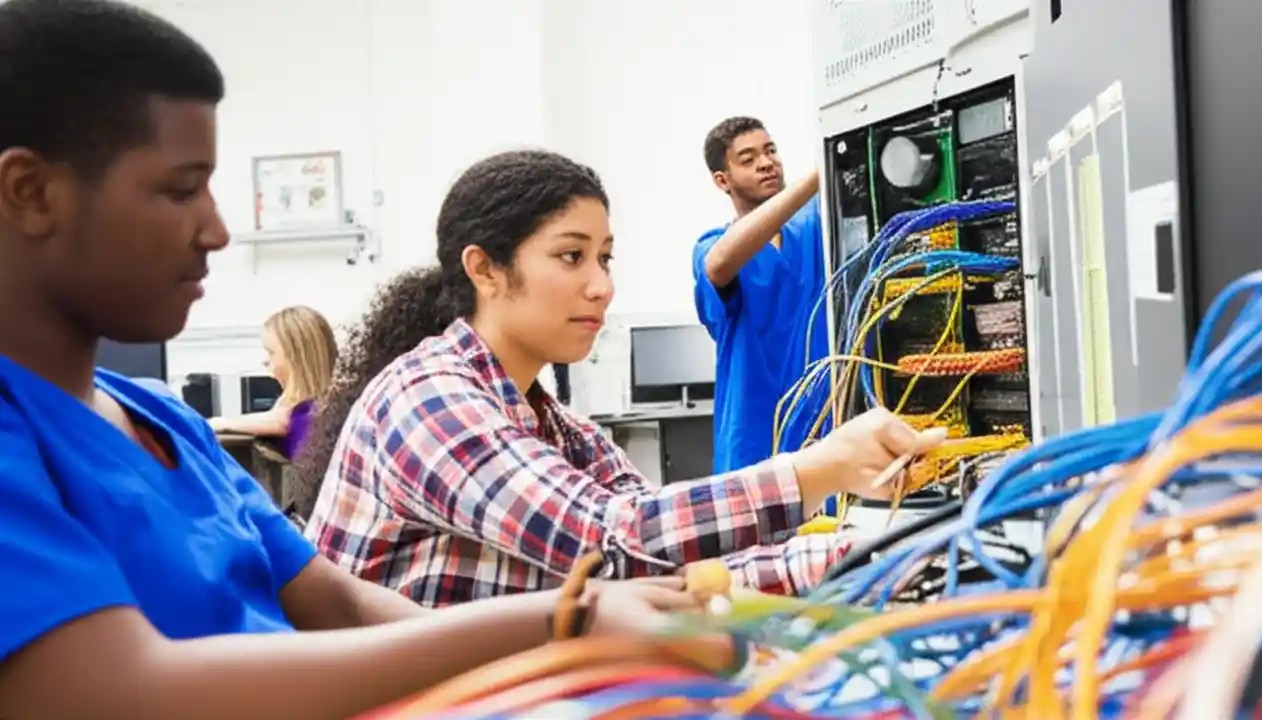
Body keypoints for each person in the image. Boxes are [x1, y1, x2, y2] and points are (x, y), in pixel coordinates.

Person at [0, 2, 696, 718]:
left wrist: (548, 664)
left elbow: (340, 603)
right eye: (180, 190)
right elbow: (122, 688)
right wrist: (560, 624)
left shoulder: (166, 421)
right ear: (30, 192)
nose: (216, 229)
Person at [301, 150, 943, 608]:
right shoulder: (427, 400)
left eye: (604, 258)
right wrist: (817, 471)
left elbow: (677, 566)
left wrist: (892, 558)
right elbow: (611, 541)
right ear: (485, 269)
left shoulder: (562, 432)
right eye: (571, 256)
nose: (602, 286)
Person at [693, 116, 829, 474]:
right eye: (748, 159)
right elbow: (719, 264)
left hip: (825, 429)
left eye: (771, 151)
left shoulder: (815, 227)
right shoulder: (713, 247)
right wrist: (819, 174)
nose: (767, 163)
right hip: (755, 440)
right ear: (722, 180)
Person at [209, 305, 337, 459]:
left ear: (296, 359)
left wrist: (221, 424)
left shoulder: (303, 417)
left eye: (271, 353)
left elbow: (280, 420)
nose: (265, 361)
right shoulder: (324, 410)